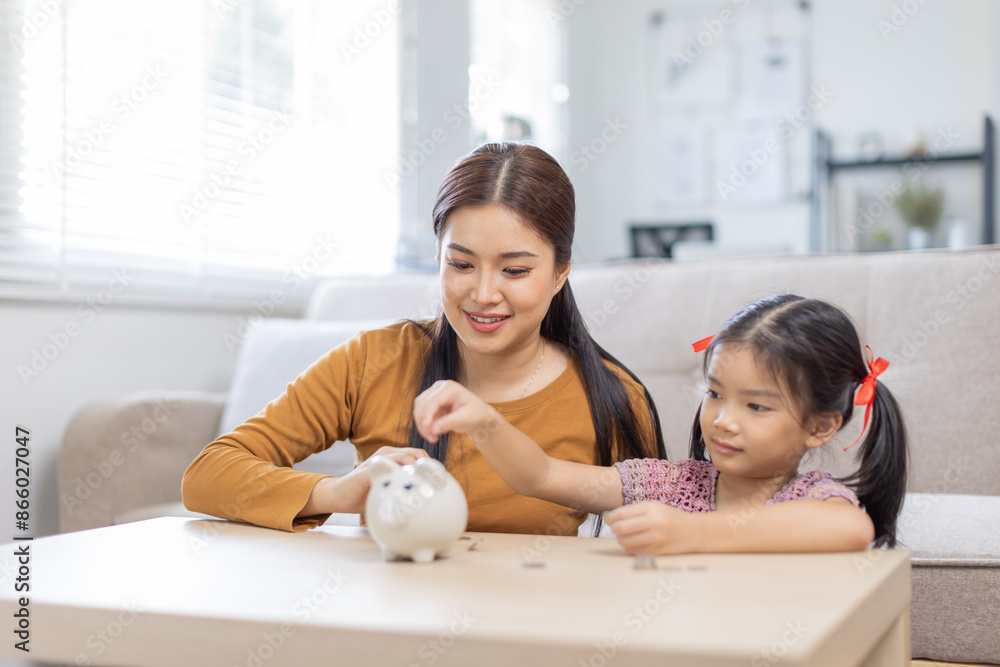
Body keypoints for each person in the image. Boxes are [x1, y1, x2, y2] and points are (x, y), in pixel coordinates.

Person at [182, 142, 666, 535]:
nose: (482, 294)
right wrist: (336, 492)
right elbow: (208, 475)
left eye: (515, 270)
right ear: (437, 258)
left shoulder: (611, 397)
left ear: (561, 272)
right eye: (460, 264)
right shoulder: (372, 361)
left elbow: (680, 520)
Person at [413, 294, 908, 553]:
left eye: (756, 407)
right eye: (715, 394)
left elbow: (848, 529)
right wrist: (485, 422)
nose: (724, 421)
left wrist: (692, 535)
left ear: (821, 426)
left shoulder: (815, 501)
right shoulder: (672, 485)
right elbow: (543, 476)